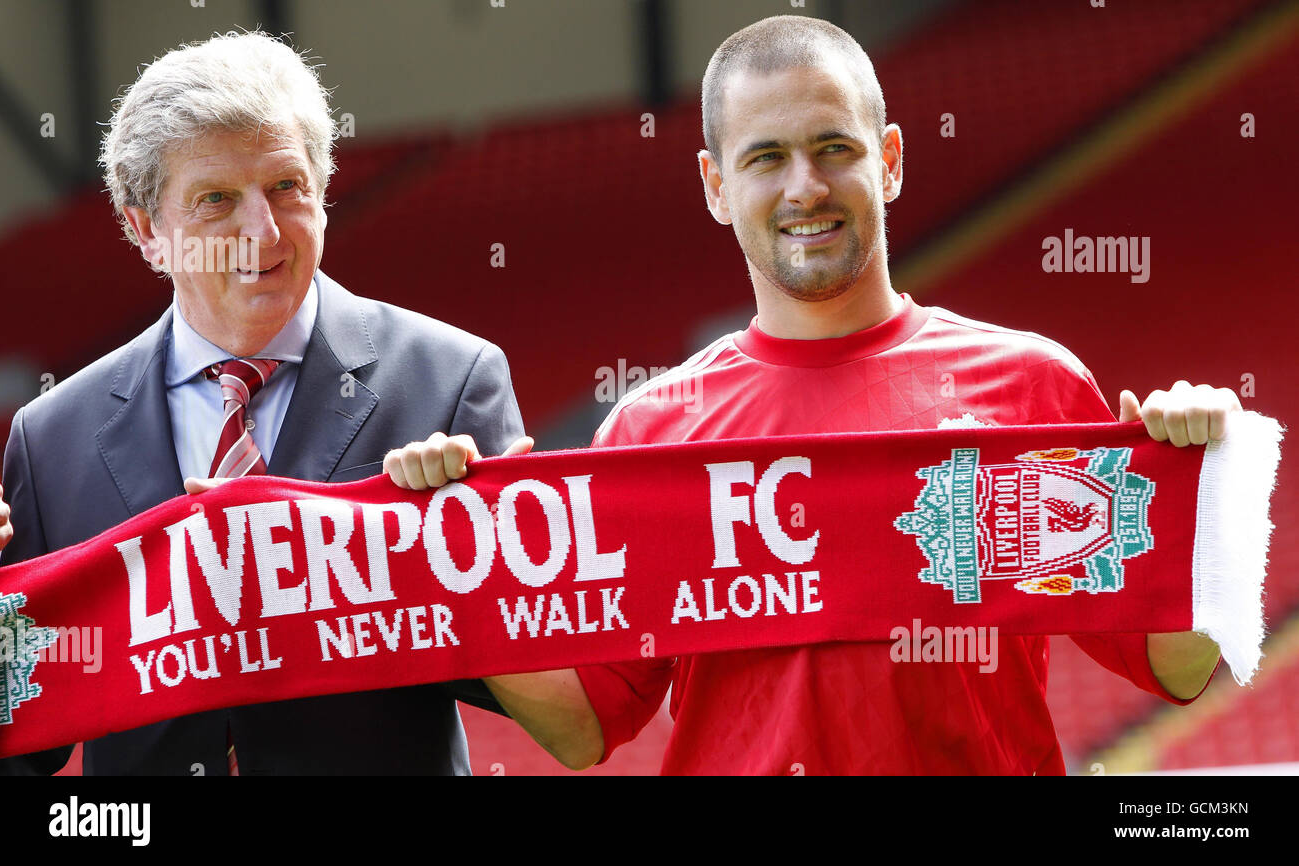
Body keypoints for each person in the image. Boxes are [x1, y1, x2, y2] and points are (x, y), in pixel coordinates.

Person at [383, 16, 1243, 775]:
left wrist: (1210, 487)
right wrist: (458, 561)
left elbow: (1174, 665)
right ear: (717, 187)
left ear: (891, 160)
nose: (805, 187)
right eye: (766, 158)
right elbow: (584, 728)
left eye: (834, 147)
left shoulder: (1030, 388)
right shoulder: (651, 432)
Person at [0, 31, 526, 775]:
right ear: (145, 228)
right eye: (217, 200)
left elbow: (540, 681)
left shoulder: (450, 378)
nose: (264, 231)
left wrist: (451, 548)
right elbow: (22, 740)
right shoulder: (52, 436)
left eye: (286, 186)